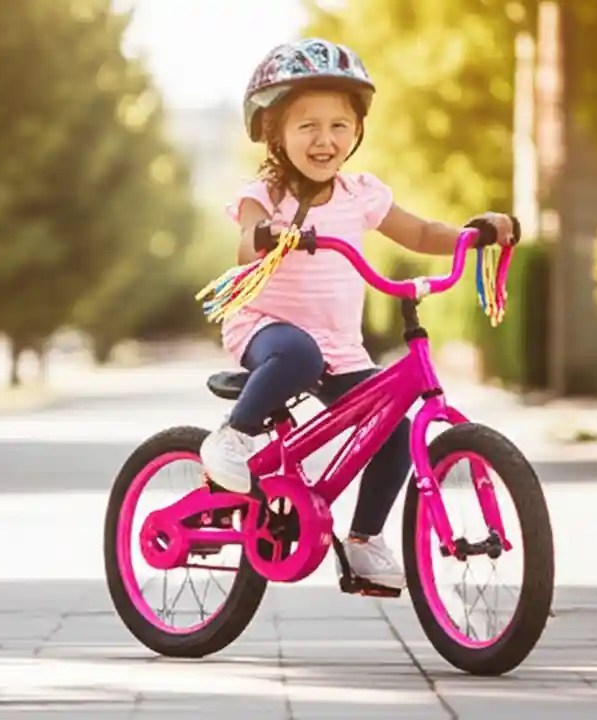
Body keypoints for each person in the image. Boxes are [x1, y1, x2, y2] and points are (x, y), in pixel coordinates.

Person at [199, 38, 519, 589]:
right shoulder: (265, 192)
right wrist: (271, 234)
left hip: (339, 346)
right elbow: (247, 242)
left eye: (339, 126)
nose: (325, 140)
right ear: (274, 133)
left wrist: (473, 233)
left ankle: (365, 540)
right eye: (307, 127)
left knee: (391, 424)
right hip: (266, 328)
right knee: (297, 353)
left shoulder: (361, 194)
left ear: (356, 132)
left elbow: (418, 232)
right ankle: (234, 436)